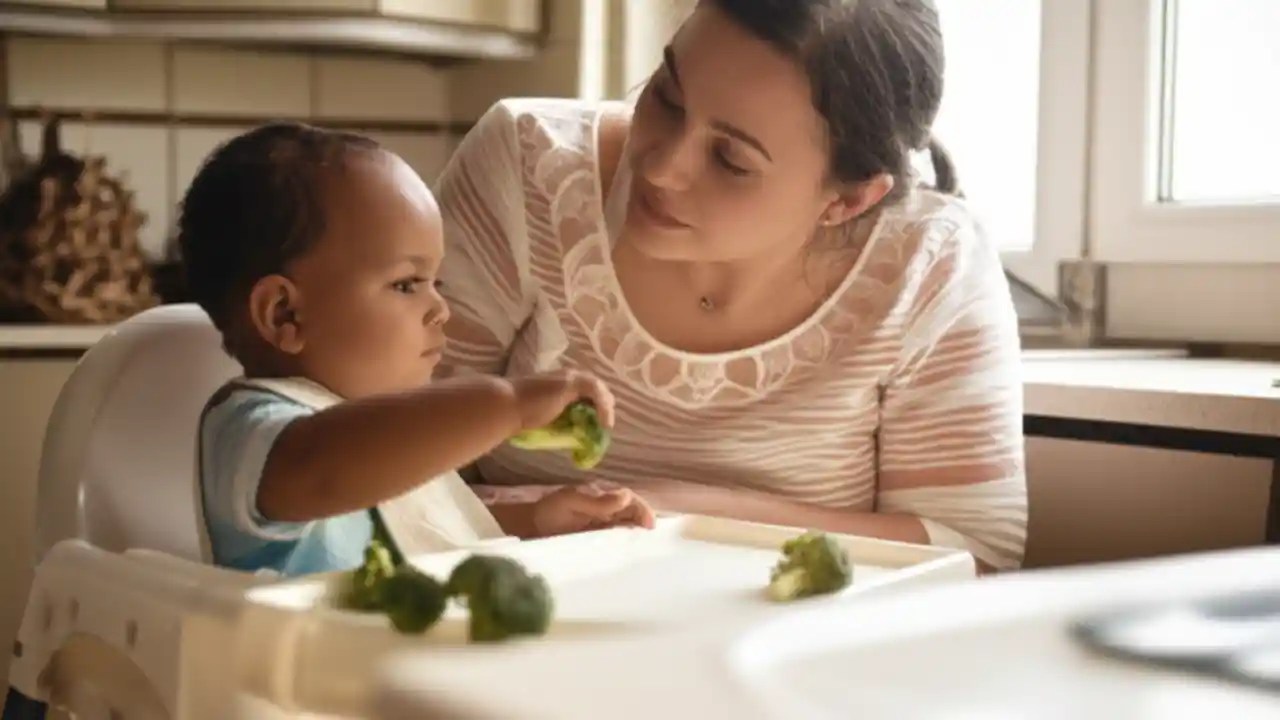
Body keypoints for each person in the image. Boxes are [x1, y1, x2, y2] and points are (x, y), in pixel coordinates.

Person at [435, 0, 1027, 570]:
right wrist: (533, 518)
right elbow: (369, 468)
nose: (662, 166)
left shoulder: (930, 262)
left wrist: (671, 514)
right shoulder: (527, 167)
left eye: (731, 160)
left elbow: (973, 552)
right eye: (666, 98)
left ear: (848, 200)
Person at [177, 123, 654, 576]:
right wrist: (505, 405)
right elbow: (324, 469)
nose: (441, 309)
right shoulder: (253, 433)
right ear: (285, 314)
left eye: (436, 283)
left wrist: (535, 521)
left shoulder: (388, 437)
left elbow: (419, 537)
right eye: (407, 285)